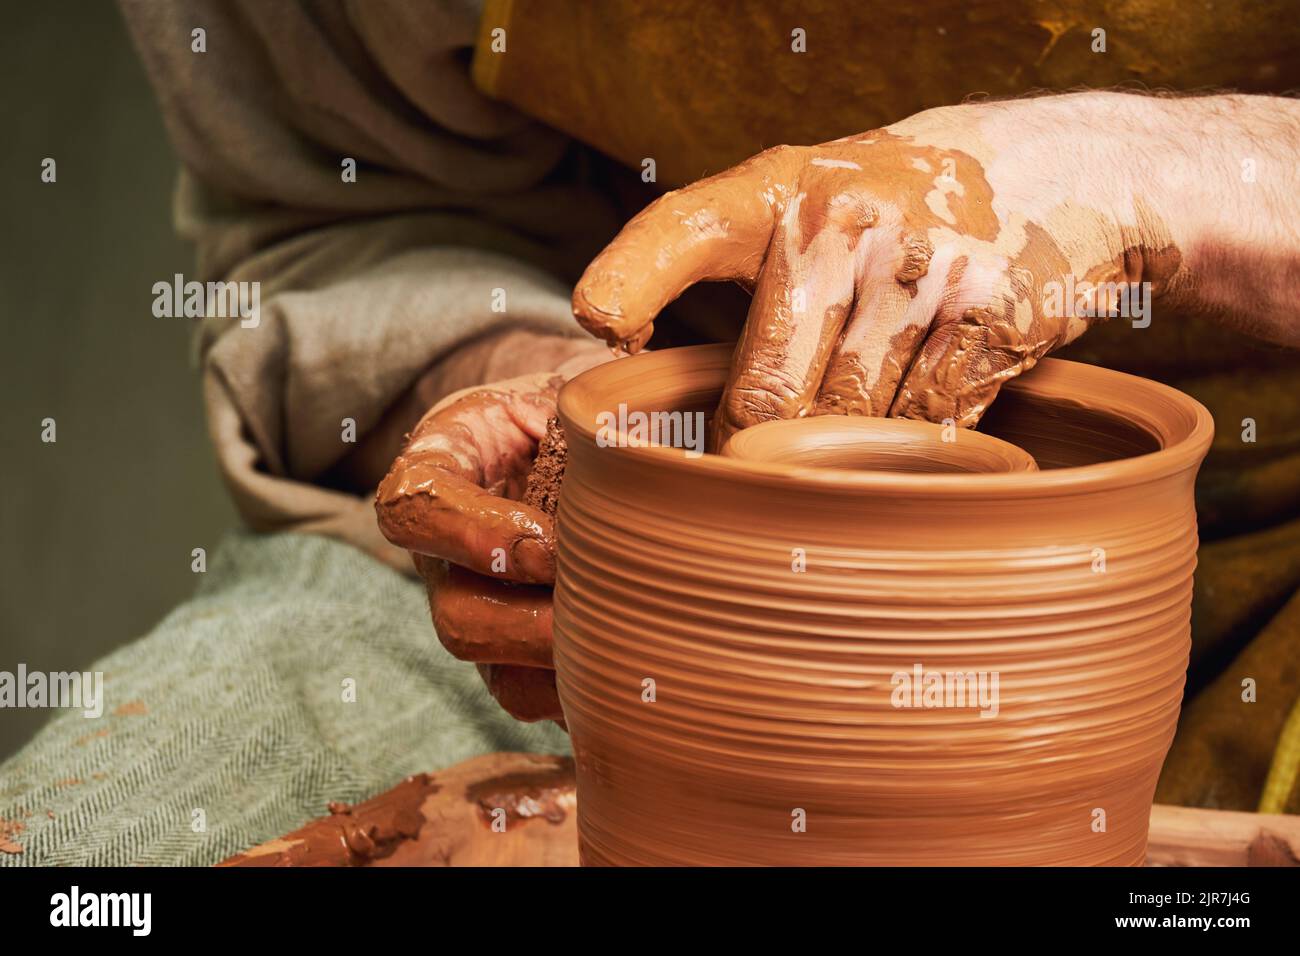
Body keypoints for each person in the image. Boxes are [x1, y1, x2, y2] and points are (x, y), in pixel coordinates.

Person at [2, 0, 1297, 866]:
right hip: (655, 603)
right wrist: (558, 413)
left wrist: (1151, 170)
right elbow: (349, 206)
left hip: (1260, 547)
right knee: (94, 846)